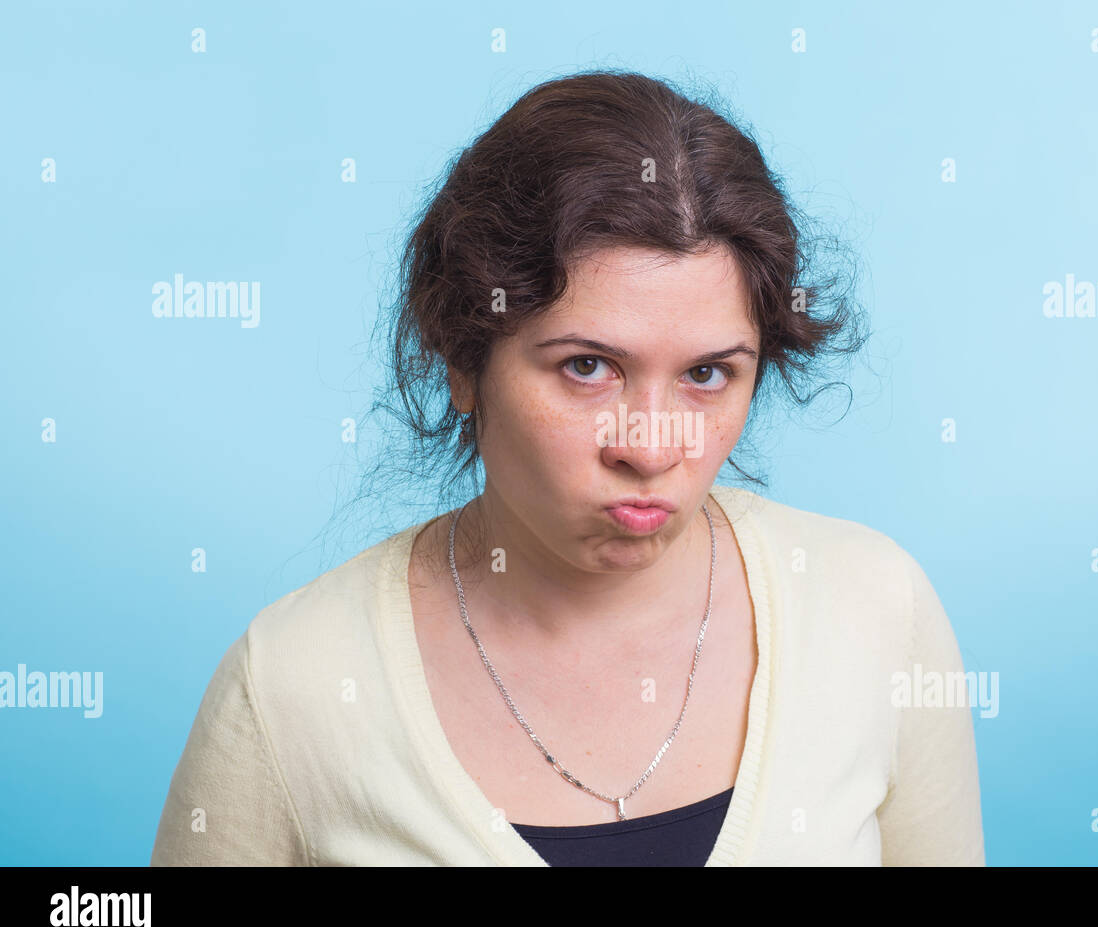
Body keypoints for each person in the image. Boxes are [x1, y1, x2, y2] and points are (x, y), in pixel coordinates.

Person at [149, 70, 984, 866]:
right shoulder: (292, 685)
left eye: (707, 374)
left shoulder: (876, 611)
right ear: (463, 359)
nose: (650, 447)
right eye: (588, 367)